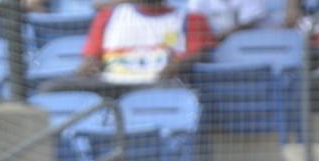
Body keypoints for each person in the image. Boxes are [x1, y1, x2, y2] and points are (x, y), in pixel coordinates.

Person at [40, 0, 214, 95]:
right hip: (110, 83)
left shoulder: (191, 19)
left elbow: (199, 54)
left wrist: (175, 66)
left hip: (156, 83)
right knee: (51, 87)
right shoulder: (108, 16)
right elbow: (91, 58)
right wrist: (89, 66)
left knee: (174, 93)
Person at [186, 0, 268, 41]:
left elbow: (251, 22)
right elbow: (193, 20)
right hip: (208, 48)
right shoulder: (197, 2)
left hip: (246, 43)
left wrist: (220, 36)